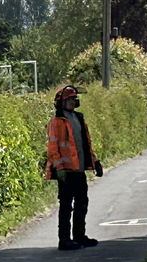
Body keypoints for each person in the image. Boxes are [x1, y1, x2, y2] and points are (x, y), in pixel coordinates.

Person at [45, 85, 104, 250]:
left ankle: (79, 236)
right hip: (66, 172)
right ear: (61, 102)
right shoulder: (56, 121)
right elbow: (53, 148)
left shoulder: (78, 119)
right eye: (70, 99)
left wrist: (95, 162)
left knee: (82, 204)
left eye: (74, 99)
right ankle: (64, 240)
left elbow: (85, 146)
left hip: (78, 171)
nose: (73, 101)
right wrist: (60, 168)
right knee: (66, 206)